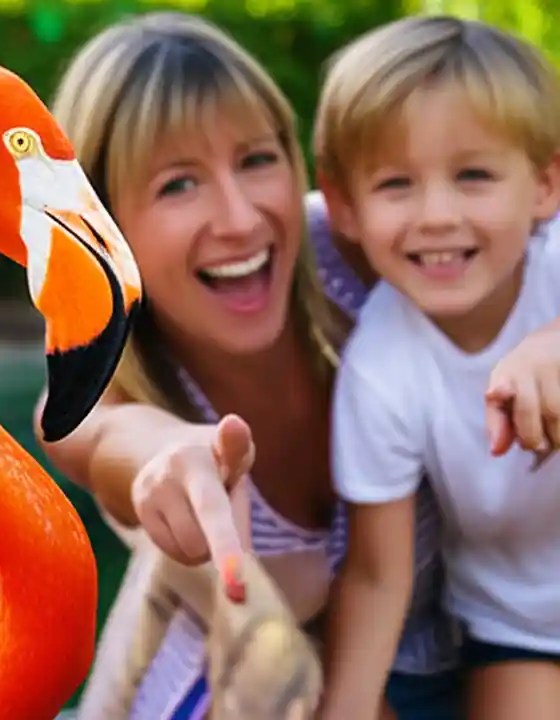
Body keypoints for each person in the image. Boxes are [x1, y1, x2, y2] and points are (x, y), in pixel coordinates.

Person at [35, 12, 466, 719]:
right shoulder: (92, 398)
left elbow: (521, 212)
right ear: (102, 223)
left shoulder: (358, 247)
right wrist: (176, 453)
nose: (239, 218)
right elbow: (106, 438)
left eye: (258, 159)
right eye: (179, 185)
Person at [315, 16, 560, 719]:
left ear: (544, 185)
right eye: (396, 184)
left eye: (474, 175)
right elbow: (376, 576)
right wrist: (346, 709)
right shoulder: (380, 369)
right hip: (520, 630)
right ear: (345, 210)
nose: (437, 215)